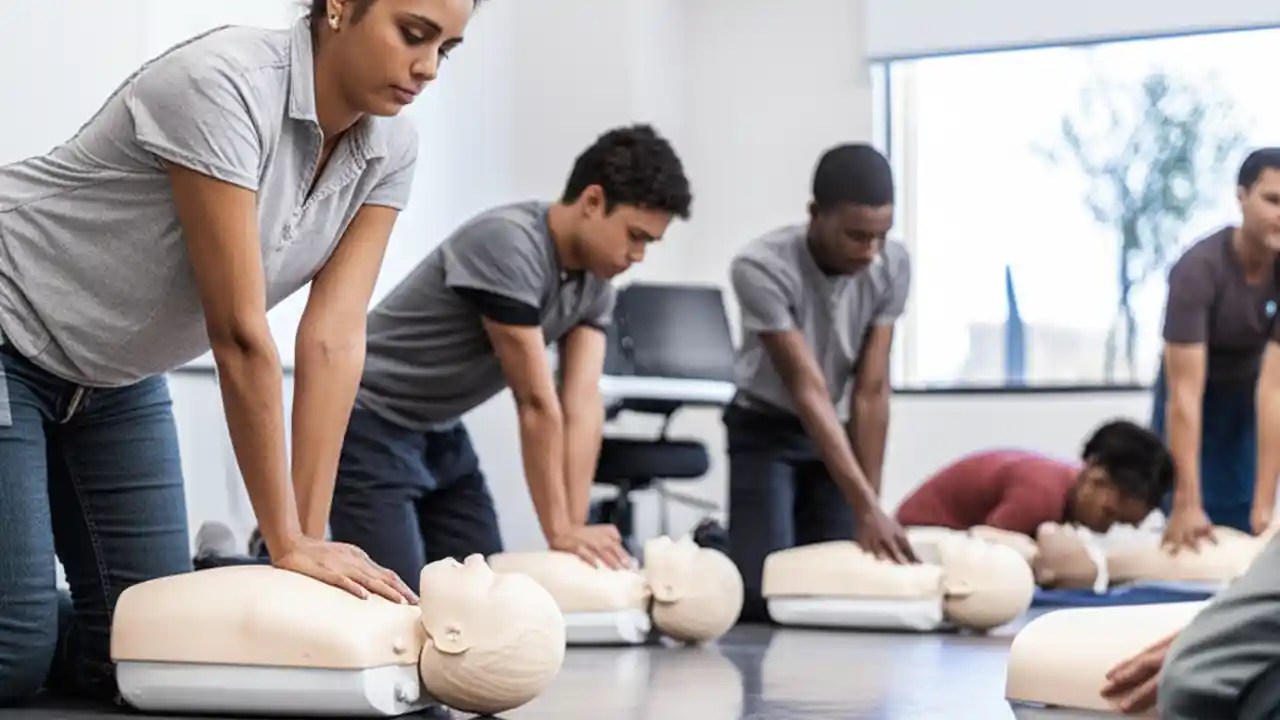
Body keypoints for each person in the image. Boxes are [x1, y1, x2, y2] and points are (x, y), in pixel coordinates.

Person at [0, 0, 483, 704]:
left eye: (448, 48)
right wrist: (282, 540)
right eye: (413, 35)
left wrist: (306, 544)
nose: (427, 68)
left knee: (154, 656)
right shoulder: (220, 83)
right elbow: (239, 332)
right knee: (13, 657)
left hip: (115, 378)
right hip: (10, 322)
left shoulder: (392, 148)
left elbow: (332, 338)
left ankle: (200, 574)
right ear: (340, 7)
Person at [326, 124, 693, 587]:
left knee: (484, 597)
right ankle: (258, 559)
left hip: (439, 429)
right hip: (366, 418)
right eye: (634, 236)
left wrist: (574, 528)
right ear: (593, 201)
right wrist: (558, 529)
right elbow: (536, 404)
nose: (638, 255)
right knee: (396, 601)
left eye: (649, 244)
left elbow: (580, 404)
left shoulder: (596, 287)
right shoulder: (509, 243)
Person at [724, 143, 916, 623]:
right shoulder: (760, 267)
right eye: (856, 236)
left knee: (832, 586)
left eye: (880, 236)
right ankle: (719, 543)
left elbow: (871, 391)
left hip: (837, 433)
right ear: (815, 215)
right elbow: (806, 388)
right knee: (761, 593)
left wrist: (866, 506)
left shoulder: (893, 265)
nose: (870, 251)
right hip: (765, 427)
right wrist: (865, 506)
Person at [1153, 147, 1280, 551]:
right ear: (1241, 196)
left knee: (1244, 518)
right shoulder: (1197, 270)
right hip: (1188, 393)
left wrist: (1264, 506)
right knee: (1186, 516)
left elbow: (1275, 390)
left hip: (1247, 396)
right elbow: (1185, 396)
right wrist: (1188, 504)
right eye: (1272, 200)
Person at [894, 420, 1174, 536]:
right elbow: (990, 553)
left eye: (1120, 523)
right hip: (917, 536)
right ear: (1093, 475)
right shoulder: (1040, 496)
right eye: (1109, 514)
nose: (1104, 530)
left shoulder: (1062, 488)